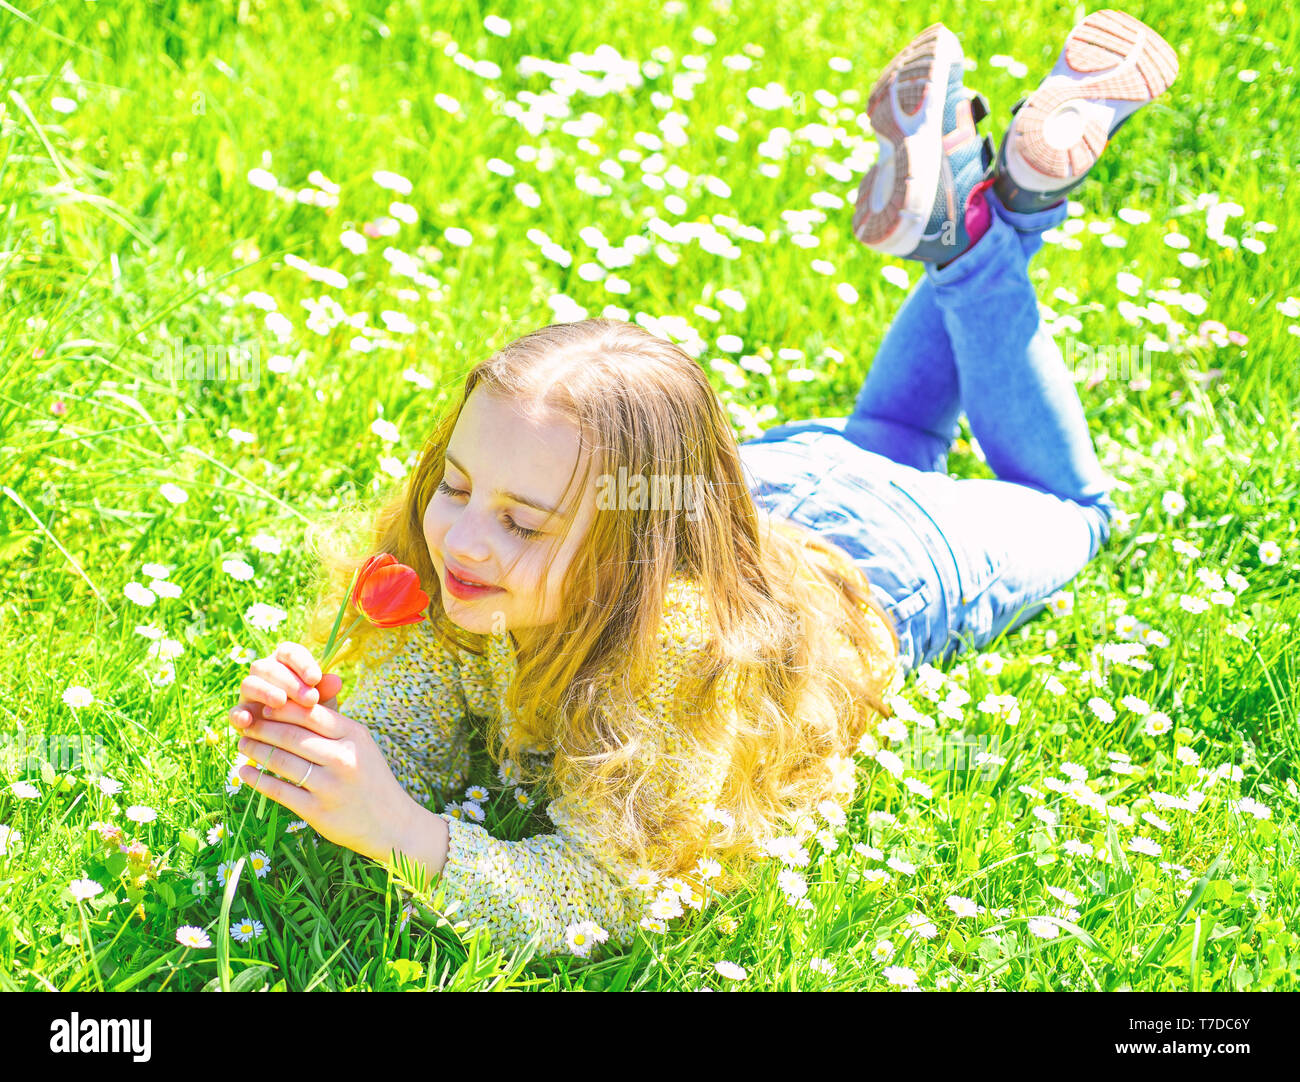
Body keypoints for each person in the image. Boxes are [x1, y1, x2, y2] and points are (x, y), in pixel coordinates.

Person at [226, 10, 1177, 958]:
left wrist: (406, 835)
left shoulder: (683, 655)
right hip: (762, 494)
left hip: (894, 552)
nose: (466, 539)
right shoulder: (483, 569)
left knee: (1076, 511)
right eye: (458, 486)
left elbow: (604, 896)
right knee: (889, 431)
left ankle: (984, 227)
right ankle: (993, 210)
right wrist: (325, 742)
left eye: (523, 521)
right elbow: (414, 723)